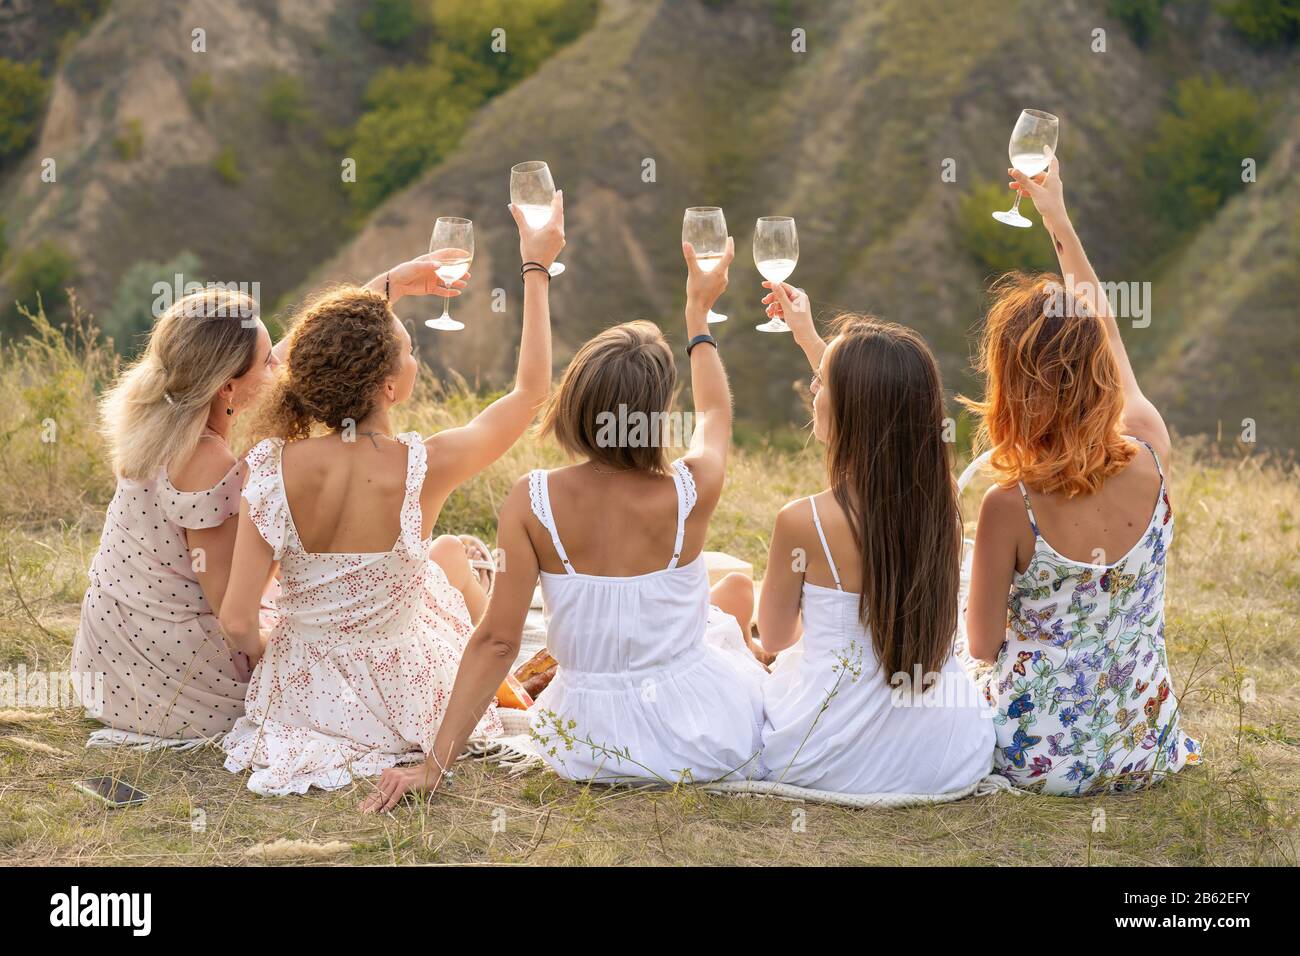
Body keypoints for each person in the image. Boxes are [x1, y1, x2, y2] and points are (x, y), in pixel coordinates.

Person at [362, 235, 767, 811]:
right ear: (656, 417)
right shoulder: (692, 488)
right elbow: (716, 414)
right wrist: (697, 317)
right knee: (728, 610)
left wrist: (435, 764)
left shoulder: (534, 501)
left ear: (575, 401)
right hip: (700, 734)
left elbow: (498, 640)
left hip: (588, 743)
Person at [218, 194, 564, 794]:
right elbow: (531, 391)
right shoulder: (425, 467)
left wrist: (283, 653)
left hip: (302, 700)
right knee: (446, 570)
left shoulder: (269, 467)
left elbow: (237, 618)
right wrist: (536, 266)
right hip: (404, 695)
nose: (415, 356)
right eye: (409, 350)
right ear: (389, 385)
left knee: (443, 564)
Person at [962, 148, 1200, 793]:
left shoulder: (1011, 505)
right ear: (1098, 371)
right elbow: (1108, 332)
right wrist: (1058, 220)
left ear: (1010, 384)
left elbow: (982, 647)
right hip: (1145, 742)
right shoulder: (1149, 444)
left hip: (1042, 757)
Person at [748, 283, 992, 794]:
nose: (812, 390)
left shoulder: (801, 522)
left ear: (850, 409)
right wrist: (811, 339)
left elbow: (773, 639)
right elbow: (885, 407)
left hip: (827, 753)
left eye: (821, 384)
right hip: (941, 752)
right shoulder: (940, 501)